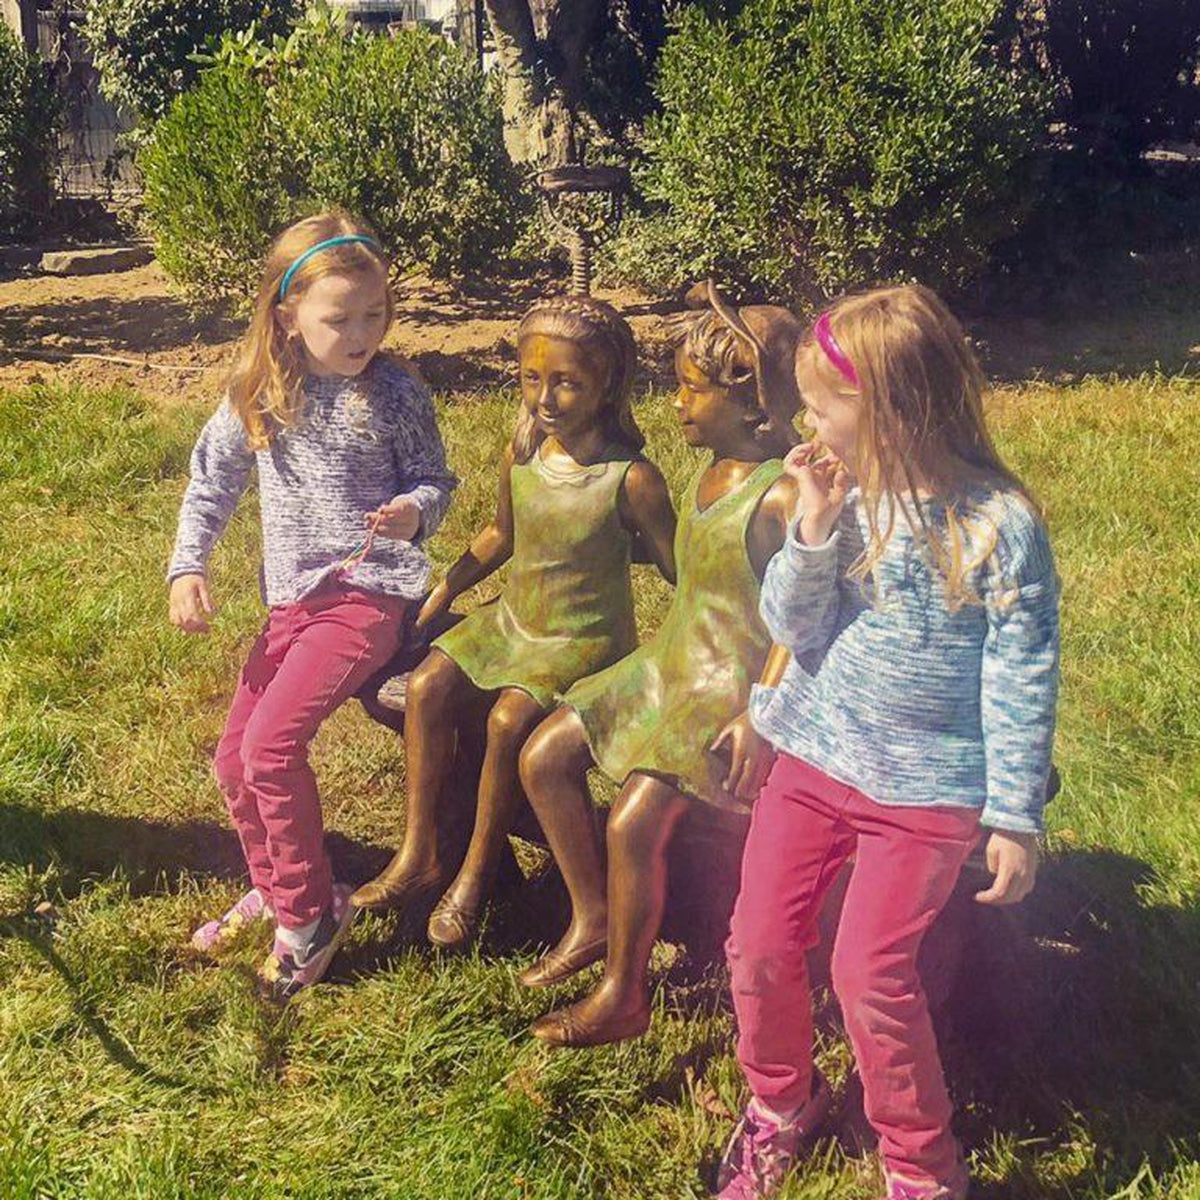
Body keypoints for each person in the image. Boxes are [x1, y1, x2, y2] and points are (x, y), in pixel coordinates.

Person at [714, 285, 1060, 1200]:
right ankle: (782, 1103)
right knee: (755, 942)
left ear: (892, 406)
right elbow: (788, 621)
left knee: (869, 973)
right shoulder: (844, 496)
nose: (803, 422)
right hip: (817, 756)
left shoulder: (998, 525)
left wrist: (1015, 816)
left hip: (927, 790)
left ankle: (920, 1164)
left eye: (823, 405)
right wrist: (815, 528)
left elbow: (1021, 676)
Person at [168, 211, 456, 1001]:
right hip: (292, 601)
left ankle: (308, 918)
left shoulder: (394, 391)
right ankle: (280, 882)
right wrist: (186, 567)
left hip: (368, 594)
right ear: (287, 316)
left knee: (269, 750)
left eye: (375, 313)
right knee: (235, 761)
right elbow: (211, 482)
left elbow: (437, 479)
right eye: (340, 318)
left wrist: (415, 512)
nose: (362, 333)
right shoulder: (262, 391)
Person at [516, 297, 804, 1047]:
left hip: (728, 687)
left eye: (691, 389)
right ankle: (594, 917)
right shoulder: (715, 470)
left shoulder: (783, 492)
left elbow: (805, 620)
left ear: (752, 400)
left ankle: (624, 991)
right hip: (672, 662)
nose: (676, 403)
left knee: (634, 818)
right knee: (544, 757)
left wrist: (762, 710)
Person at [351, 297, 677, 951]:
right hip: (512, 621)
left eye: (567, 382)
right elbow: (501, 533)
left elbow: (679, 568)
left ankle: (474, 876)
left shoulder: (630, 478)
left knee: (505, 724)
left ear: (607, 385)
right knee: (425, 687)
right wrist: (443, 590)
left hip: (580, 639)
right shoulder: (523, 456)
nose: (546, 398)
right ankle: (419, 854)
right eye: (533, 379)